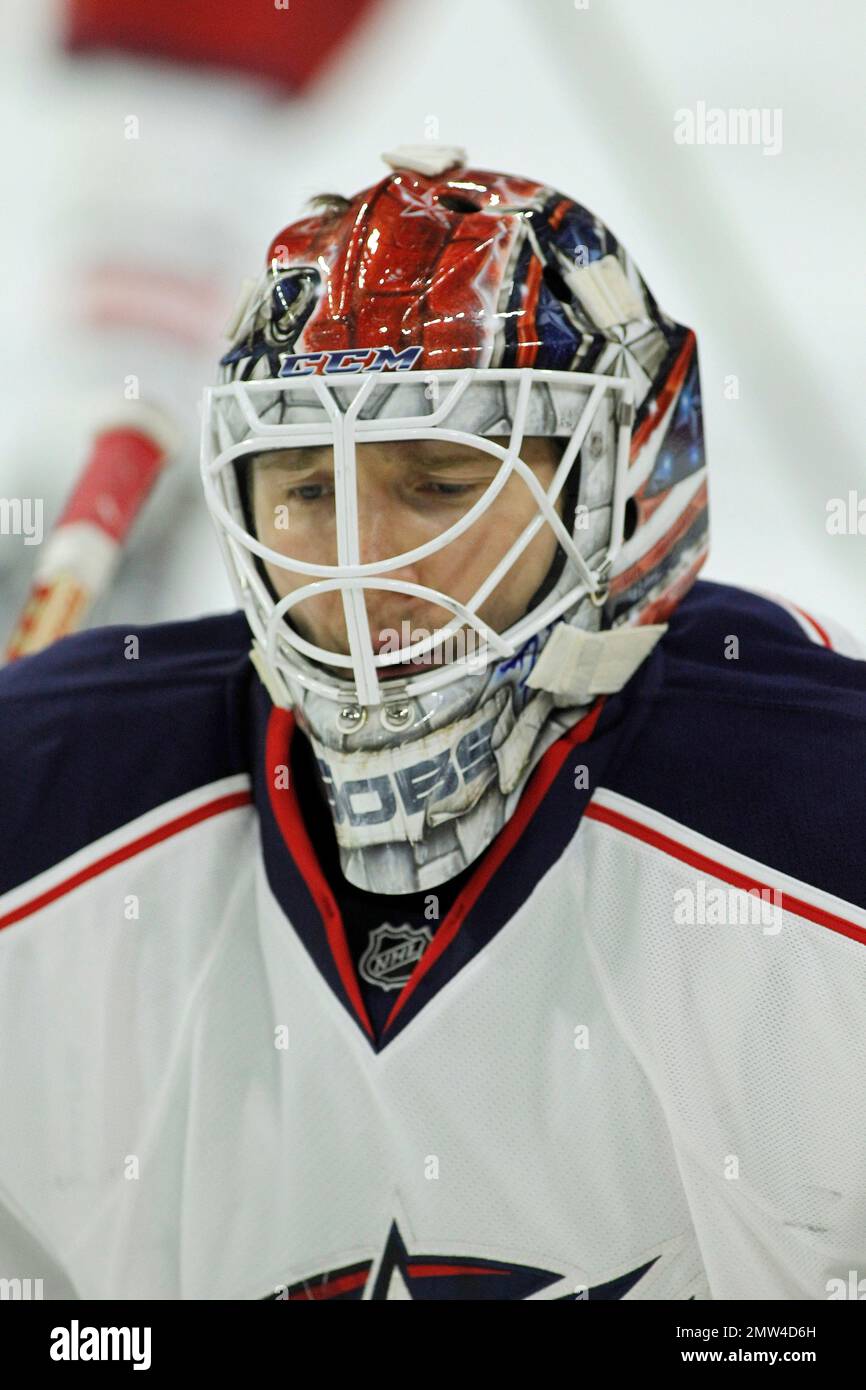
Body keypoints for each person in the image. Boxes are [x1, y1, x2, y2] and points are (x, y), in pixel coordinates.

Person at [1, 146, 864, 1301]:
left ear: (617, 487)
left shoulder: (817, 832)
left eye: (438, 482)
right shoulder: (47, 808)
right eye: (306, 489)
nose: (361, 566)